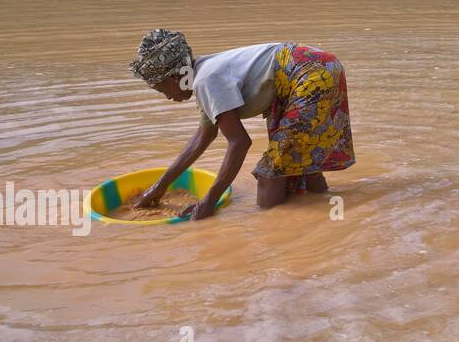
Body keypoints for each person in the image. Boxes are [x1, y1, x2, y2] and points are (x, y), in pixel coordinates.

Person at [127, 29, 355, 219]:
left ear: (175, 77)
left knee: (271, 173)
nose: (167, 97)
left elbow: (240, 142)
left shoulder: (206, 80)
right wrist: (160, 187)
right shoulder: (204, 76)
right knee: (296, 163)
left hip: (310, 73)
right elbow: (202, 137)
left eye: (161, 89)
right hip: (319, 66)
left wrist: (209, 201)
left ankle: (273, 233)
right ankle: (327, 209)